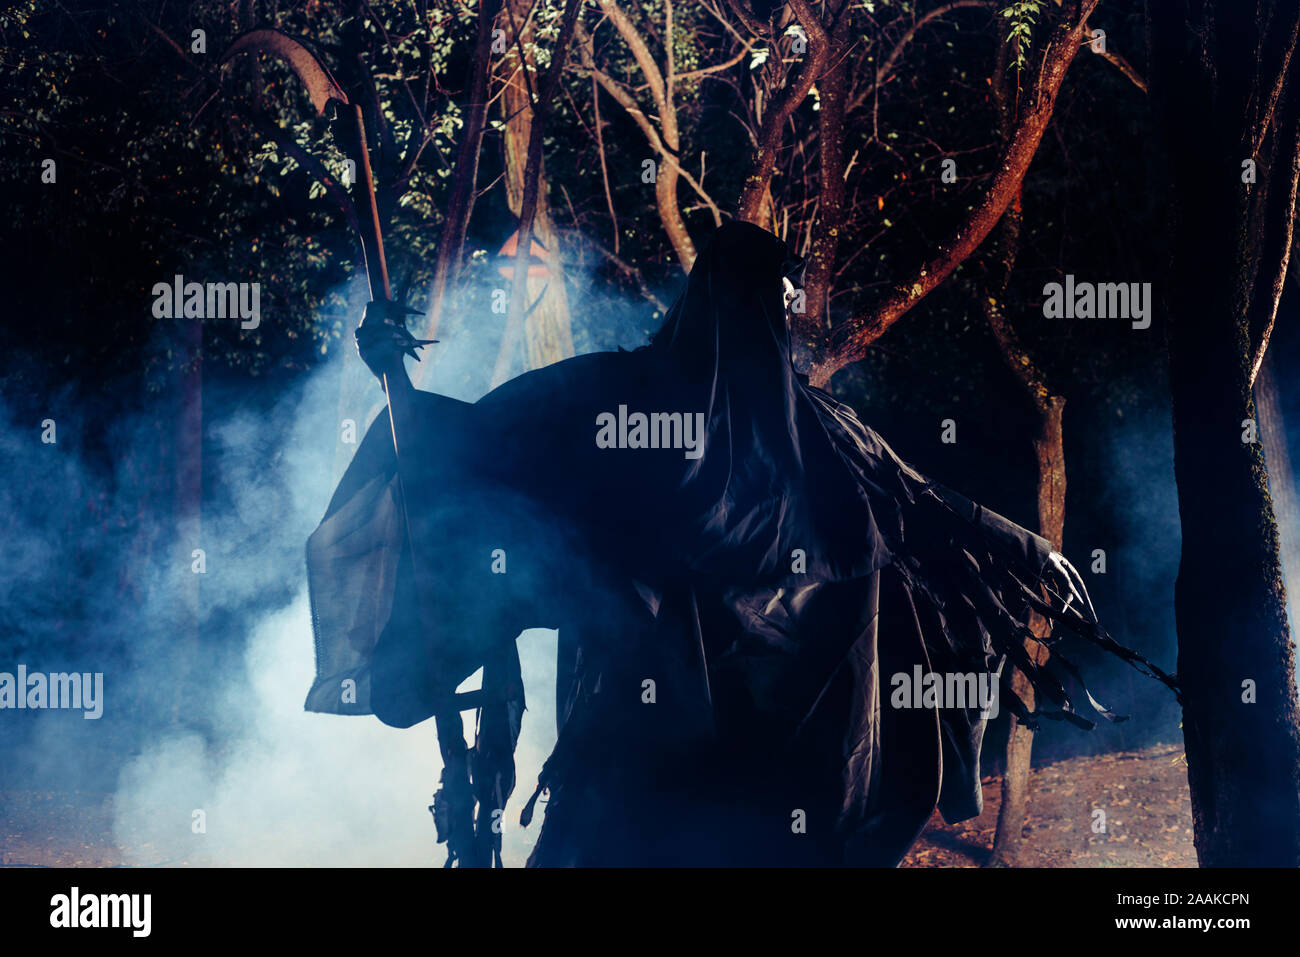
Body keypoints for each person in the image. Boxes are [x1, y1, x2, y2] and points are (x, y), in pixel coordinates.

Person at [305, 221, 1177, 866]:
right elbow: (491, 444)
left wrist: (1024, 547)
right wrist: (401, 392)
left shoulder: (798, 428)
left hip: (763, 757)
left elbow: (918, 499)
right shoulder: (726, 416)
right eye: (776, 302)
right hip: (673, 747)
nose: (785, 320)